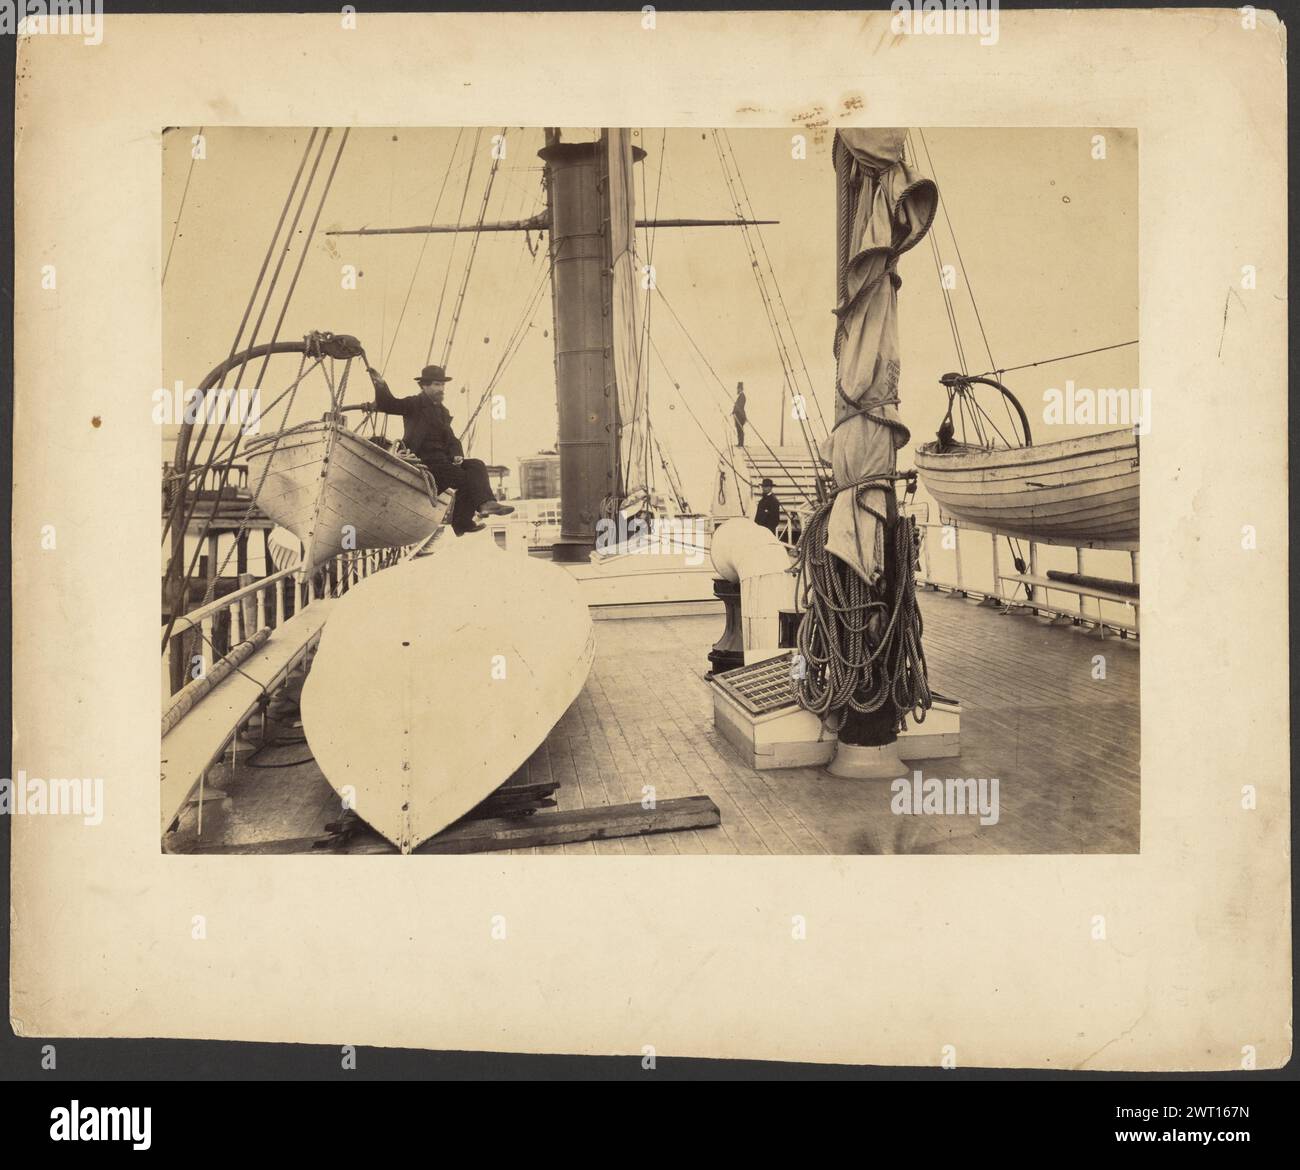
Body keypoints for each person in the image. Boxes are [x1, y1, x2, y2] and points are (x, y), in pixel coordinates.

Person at [364, 364, 514, 535]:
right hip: (424, 461)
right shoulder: (414, 404)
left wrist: (457, 453)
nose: (441, 388)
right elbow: (388, 404)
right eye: (436, 384)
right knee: (465, 479)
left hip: (443, 461)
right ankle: (464, 521)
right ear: (424, 386)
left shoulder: (442, 411)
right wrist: (380, 383)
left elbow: (451, 439)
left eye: (442, 385)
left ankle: (486, 504)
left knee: (476, 465)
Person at [732, 381, 747, 447]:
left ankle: (741, 444)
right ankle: (740, 443)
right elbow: (737, 406)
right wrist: (733, 411)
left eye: (738, 388)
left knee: (740, 429)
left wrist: (734, 411)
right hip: (739, 415)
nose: (737, 390)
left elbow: (739, 406)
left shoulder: (742, 396)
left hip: (740, 416)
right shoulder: (740, 396)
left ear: (740, 389)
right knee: (739, 429)